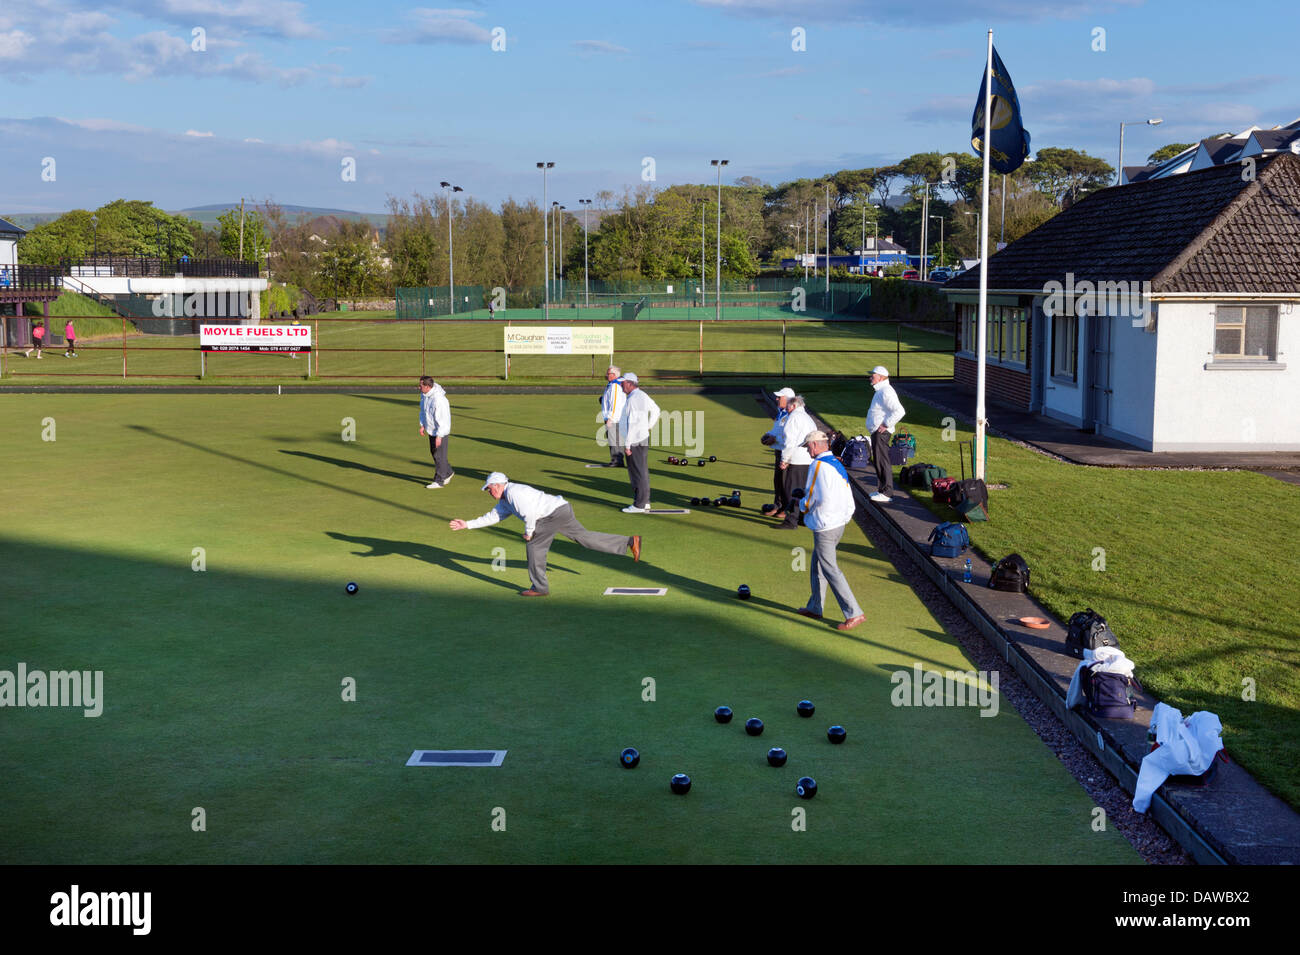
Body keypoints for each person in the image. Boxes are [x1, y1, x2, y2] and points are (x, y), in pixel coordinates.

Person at [449, 472, 642, 597]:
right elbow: (492, 517)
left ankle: (539, 587)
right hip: (561, 508)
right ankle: (628, 542)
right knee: (584, 538)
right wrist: (467, 524)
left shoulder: (514, 493)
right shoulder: (506, 500)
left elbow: (530, 514)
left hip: (551, 514)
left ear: (498, 485)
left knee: (534, 547)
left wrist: (529, 532)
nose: (488, 493)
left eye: (489, 489)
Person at [795, 431, 866, 631]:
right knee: (817, 565)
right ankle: (815, 607)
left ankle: (854, 613)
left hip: (825, 524)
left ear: (816, 445)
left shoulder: (817, 465)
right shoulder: (837, 463)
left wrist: (801, 505)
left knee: (830, 569)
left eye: (808, 446)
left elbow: (810, 497)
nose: (808, 451)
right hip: (839, 523)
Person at [617, 372, 660, 513]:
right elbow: (656, 410)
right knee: (641, 470)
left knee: (637, 472)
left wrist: (628, 445)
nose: (621, 386)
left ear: (630, 383)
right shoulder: (641, 395)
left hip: (635, 440)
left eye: (623, 383)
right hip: (640, 437)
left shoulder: (634, 399)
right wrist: (648, 426)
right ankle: (644, 501)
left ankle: (639, 505)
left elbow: (633, 424)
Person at [864, 365, 905, 503]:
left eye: (873, 375)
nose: (870, 378)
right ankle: (882, 490)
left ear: (881, 377)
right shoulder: (881, 391)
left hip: (881, 432)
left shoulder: (886, 391)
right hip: (877, 432)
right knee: (879, 460)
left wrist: (886, 424)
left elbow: (899, 411)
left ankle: (887, 493)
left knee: (882, 461)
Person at [775, 395, 816, 529]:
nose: (786, 409)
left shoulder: (793, 417)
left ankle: (791, 520)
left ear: (793, 406)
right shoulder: (807, 417)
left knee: (791, 490)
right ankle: (802, 518)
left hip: (797, 459)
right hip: (808, 459)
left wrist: (785, 459)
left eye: (787, 406)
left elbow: (790, 441)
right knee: (803, 490)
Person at [762, 387, 795, 517]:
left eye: (779, 397)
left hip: (787, 452)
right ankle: (778, 505)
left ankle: (786, 509)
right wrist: (767, 435)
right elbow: (777, 430)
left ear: (787, 399)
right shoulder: (781, 412)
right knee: (778, 480)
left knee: (785, 481)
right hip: (778, 450)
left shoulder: (791, 416)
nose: (776, 399)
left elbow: (789, 436)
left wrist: (773, 438)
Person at [418, 375, 454, 488]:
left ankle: (439, 481)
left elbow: (443, 419)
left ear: (427, 386)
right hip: (431, 429)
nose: (418, 387)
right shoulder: (424, 396)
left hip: (440, 431)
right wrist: (423, 424)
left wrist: (440, 435)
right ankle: (448, 472)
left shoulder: (439, 400)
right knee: (434, 453)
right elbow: (423, 411)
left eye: (420, 385)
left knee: (439, 456)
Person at [598, 365, 626, 468]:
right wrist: (603, 399)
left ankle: (616, 461)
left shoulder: (615, 385)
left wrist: (611, 418)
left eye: (608, 373)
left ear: (614, 375)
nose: (606, 375)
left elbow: (615, 403)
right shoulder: (613, 384)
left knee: (614, 439)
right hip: (616, 417)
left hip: (614, 418)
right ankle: (618, 460)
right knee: (615, 439)